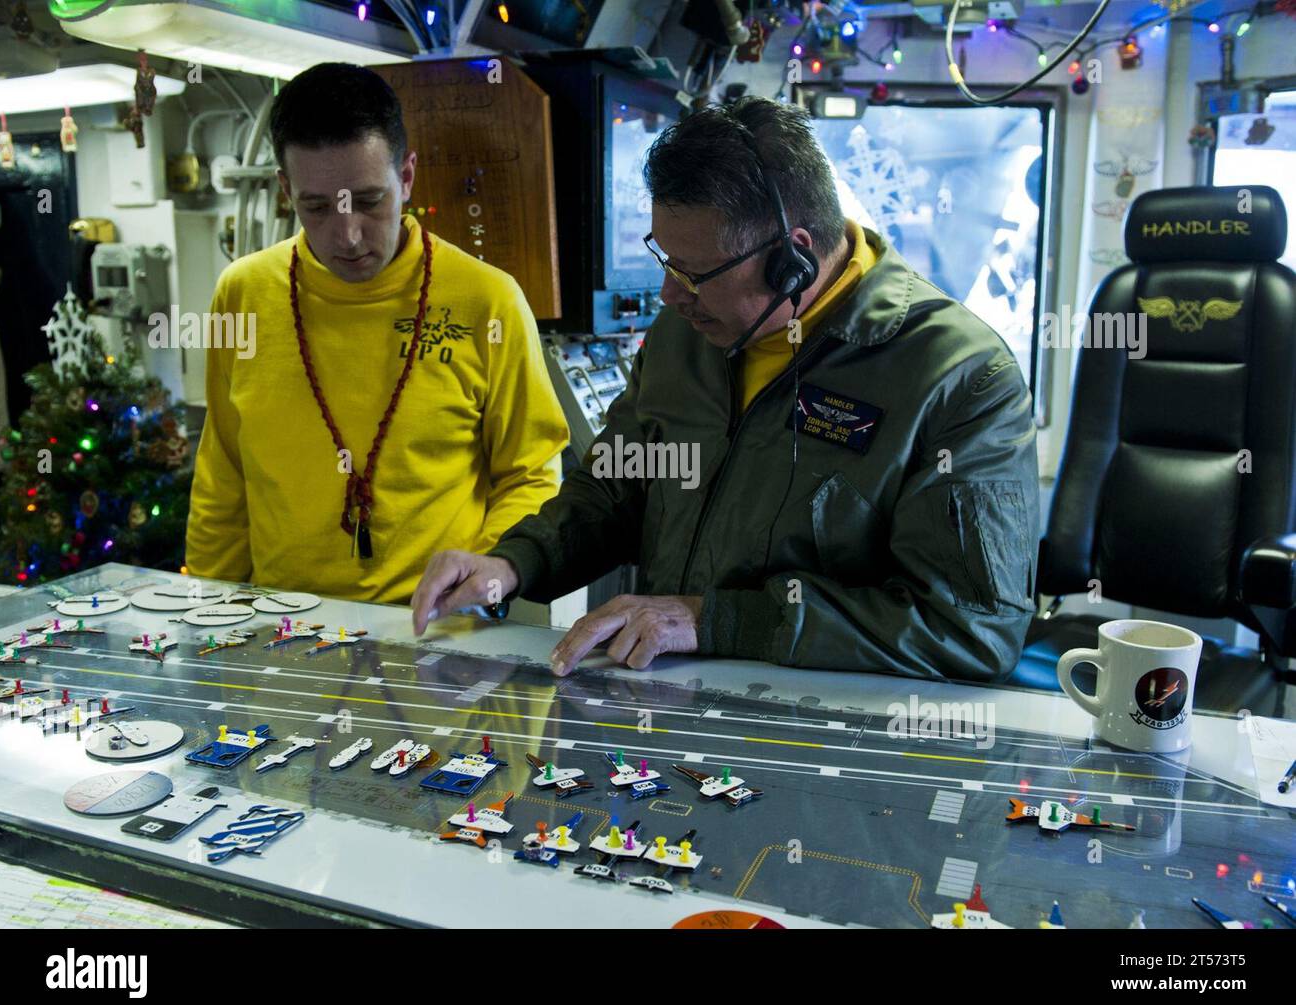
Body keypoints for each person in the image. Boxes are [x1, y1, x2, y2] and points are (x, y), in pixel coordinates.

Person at [411, 96, 1039, 681]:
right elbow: (614, 488)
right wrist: (515, 562)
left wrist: (715, 621)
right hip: (665, 704)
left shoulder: (959, 378)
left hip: (825, 741)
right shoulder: (686, 334)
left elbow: (971, 628)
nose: (669, 296)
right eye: (665, 261)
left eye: (694, 274)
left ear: (791, 260)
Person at [185, 63, 568, 603]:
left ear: (406, 176)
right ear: (284, 189)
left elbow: (530, 472)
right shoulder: (242, 294)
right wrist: (207, 608)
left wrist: (485, 572)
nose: (347, 235)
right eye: (315, 208)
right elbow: (223, 477)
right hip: (283, 628)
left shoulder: (488, 300)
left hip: (440, 631)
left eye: (369, 201)